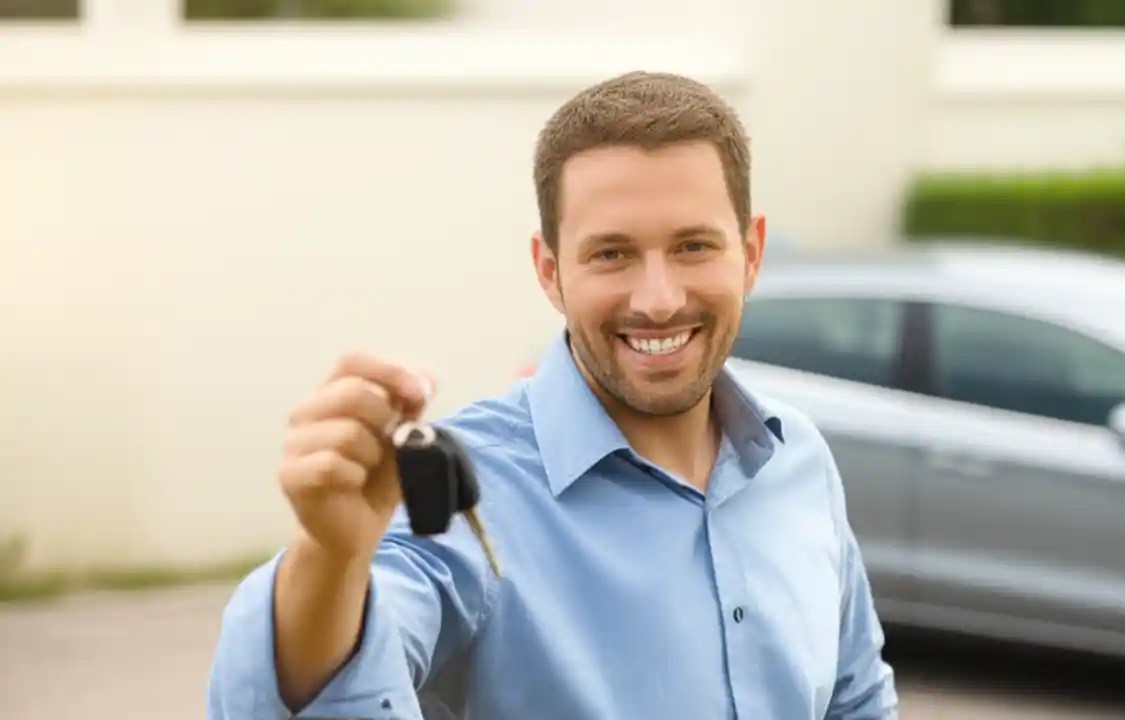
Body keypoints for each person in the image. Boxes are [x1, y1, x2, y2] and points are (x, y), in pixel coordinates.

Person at [206, 70, 898, 720]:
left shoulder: (797, 457)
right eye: (611, 254)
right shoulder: (464, 493)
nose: (659, 300)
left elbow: (856, 697)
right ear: (548, 270)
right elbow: (315, 690)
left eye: (693, 246)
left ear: (751, 253)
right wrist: (330, 560)